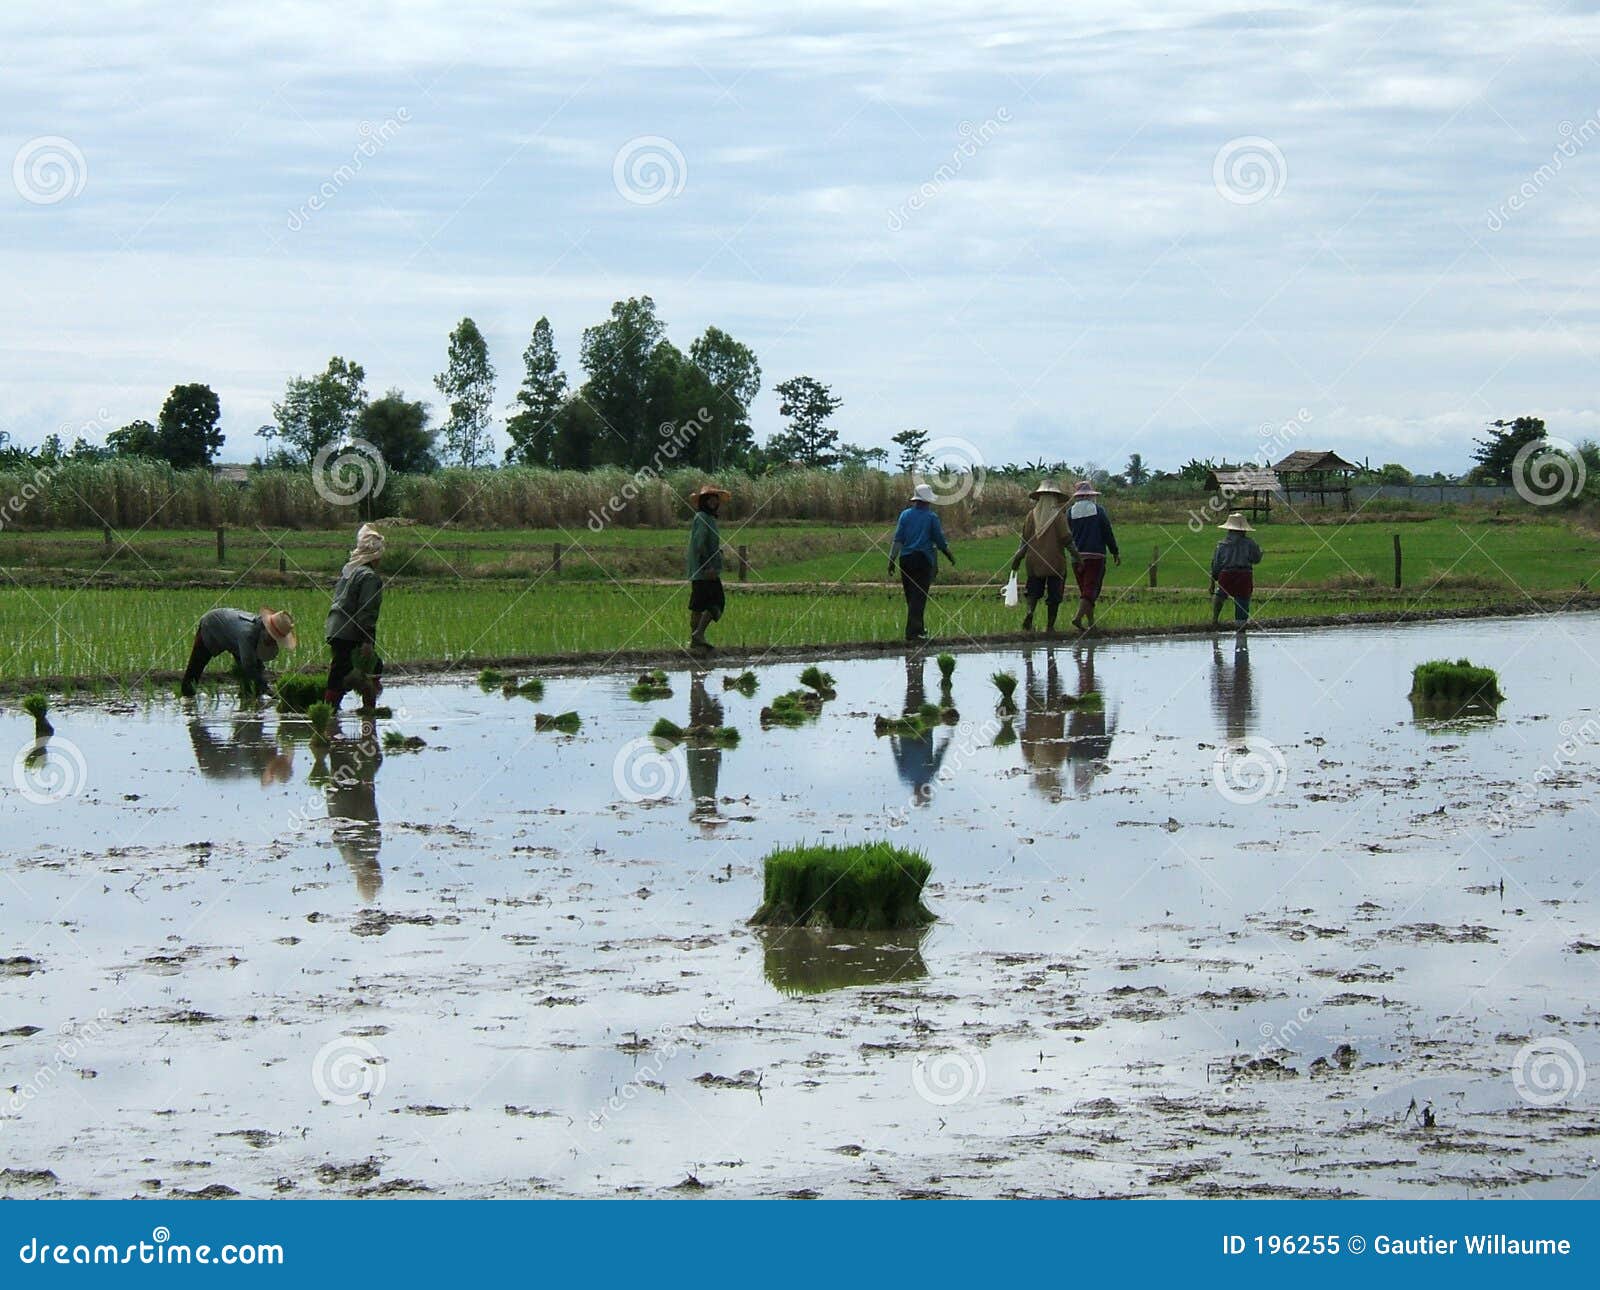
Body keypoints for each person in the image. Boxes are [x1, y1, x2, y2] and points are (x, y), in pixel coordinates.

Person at [324, 523, 385, 710]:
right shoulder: (369, 577)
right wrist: (367, 641)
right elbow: (367, 611)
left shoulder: (349, 571)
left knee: (342, 669)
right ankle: (334, 713)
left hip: (335, 628)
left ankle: (333, 712)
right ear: (375, 556)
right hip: (350, 632)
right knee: (368, 667)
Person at [1010, 479, 1080, 634]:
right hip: (1055, 562)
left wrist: (1017, 559)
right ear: (1055, 498)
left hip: (1033, 562)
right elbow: (1067, 540)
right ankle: (1050, 626)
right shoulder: (1058, 516)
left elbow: (1024, 542)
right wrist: (1077, 557)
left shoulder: (1030, 516)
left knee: (1033, 591)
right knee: (1054, 595)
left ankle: (1030, 612)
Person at [180, 606, 297, 697]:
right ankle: (187, 699)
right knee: (195, 667)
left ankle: (248, 695)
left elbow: (257, 663)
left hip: (232, 634)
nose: (274, 641)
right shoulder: (247, 633)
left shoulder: (259, 631)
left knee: (250, 676)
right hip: (211, 625)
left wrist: (262, 684)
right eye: (274, 637)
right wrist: (266, 688)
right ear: (267, 630)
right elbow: (249, 665)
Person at [888, 482, 955, 642]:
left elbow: (898, 539)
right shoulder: (931, 517)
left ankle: (918, 630)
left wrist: (891, 560)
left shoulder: (905, 515)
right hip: (923, 560)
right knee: (919, 597)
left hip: (906, 560)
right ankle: (913, 633)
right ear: (927, 501)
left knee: (911, 597)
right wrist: (949, 555)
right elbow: (939, 541)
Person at [1066, 480, 1118, 631]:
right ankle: (1077, 618)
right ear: (1090, 496)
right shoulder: (1098, 511)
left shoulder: (1070, 513)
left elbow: (1068, 535)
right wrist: (1114, 551)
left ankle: (1091, 623)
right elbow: (1107, 533)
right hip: (1095, 556)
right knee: (1091, 590)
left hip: (1076, 558)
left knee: (1085, 590)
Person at [686, 483, 731, 651]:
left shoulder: (707, 518)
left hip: (700, 570)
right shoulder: (703, 518)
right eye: (709, 498)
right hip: (705, 570)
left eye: (715, 499)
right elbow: (699, 544)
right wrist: (707, 566)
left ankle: (695, 641)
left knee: (698, 605)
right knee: (717, 603)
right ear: (703, 501)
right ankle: (698, 635)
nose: (713, 501)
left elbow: (707, 543)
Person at [1209, 512, 1264, 628]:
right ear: (1243, 530)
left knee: (1220, 596)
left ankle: (1215, 620)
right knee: (1243, 601)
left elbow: (1216, 565)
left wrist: (1212, 583)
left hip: (1227, 574)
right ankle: (1241, 626)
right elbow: (1256, 559)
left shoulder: (1221, 545)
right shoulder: (1250, 543)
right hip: (1244, 575)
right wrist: (1260, 553)